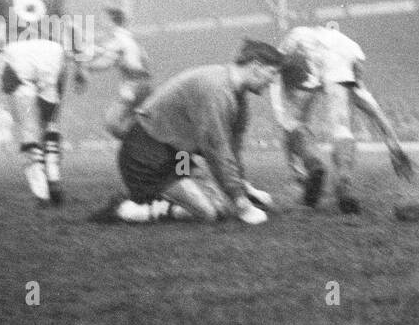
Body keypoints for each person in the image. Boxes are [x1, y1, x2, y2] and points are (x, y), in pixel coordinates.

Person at [90, 39, 282, 225]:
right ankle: (126, 209)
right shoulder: (217, 89)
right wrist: (243, 205)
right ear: (256, 67)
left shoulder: (237, 96)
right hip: (147, 155)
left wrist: (243, 188)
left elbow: (231, 150)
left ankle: (159, 198)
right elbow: (216, 149)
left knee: (221, 209)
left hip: (179, 155)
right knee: (207, 213)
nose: (273, 81)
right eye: (272, 73)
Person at [0, 0, 86, 204]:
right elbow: (70, 26)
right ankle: (53, 171)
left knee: (28, 125)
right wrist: (79, 64)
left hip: (20, 50)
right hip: (52, 52)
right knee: (50, 120)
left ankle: (41, 188)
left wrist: (4, 59)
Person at [270, 21, 412, 213]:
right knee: (341, 125)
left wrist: (295, 167)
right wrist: (395, 148)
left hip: (300, 52)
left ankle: (313, 165)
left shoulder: (298, 36)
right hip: (339, 54)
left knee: (295, 122)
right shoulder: (346, 46)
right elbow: (375, 112)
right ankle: (343, 182)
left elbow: (278, 82)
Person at [84, 7, 153, 137]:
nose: (101, 23)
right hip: (144, 84)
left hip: (134, 85)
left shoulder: (119, 38)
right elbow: (109, 58)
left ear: (111, 21)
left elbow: (105, 61)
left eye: (103, 19)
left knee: (113, 122)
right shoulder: (128, 37)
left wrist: (86, 65)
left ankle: (140, 142)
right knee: (136, 120)